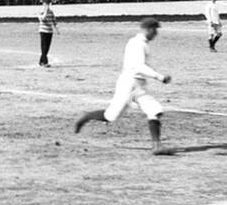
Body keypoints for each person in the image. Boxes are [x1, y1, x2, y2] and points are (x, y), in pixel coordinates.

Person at [74, 17, 174, 156]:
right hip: (129, 84)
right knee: (111, 116)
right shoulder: (137, 44)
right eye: (155, 30)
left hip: (139, 86)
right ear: (149, 29)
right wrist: (160, 77)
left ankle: (157, 146)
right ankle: (87, 116)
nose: (156, 34)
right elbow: (139, 66)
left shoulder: (141, 43)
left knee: (155, 110)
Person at [37, 0, 58, 67]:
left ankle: (41, 61)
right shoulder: (41, 12)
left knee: (47, 47)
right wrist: (45, 12)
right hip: (43, 31)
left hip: (49, 31)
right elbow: (42, 19)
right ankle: (45, 62)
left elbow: (54, 21)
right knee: (44, 46)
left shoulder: (51, 12)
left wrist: (56, 29)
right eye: (46, 4)